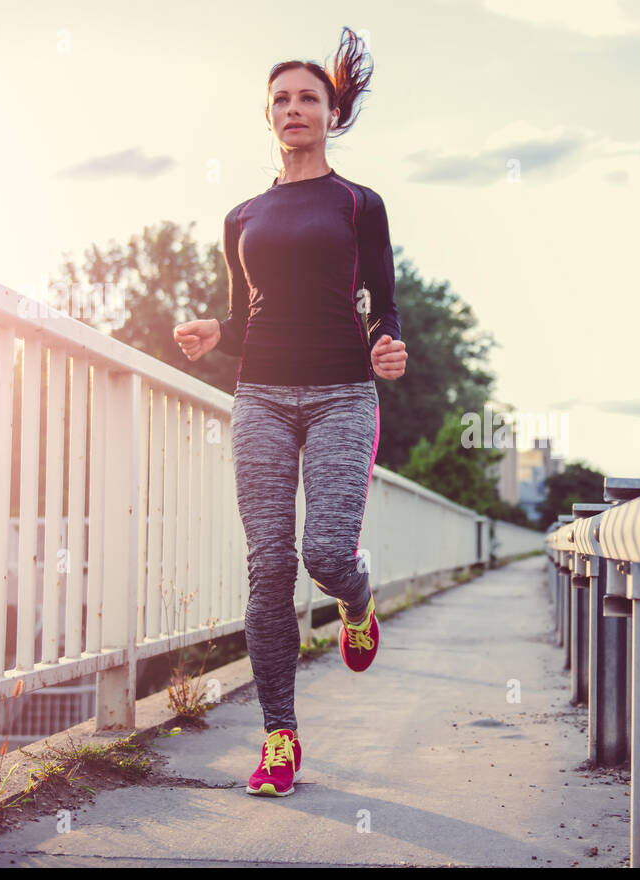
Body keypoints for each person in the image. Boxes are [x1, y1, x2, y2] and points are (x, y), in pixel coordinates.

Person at [173, 28, 407, 797]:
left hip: (343, 392)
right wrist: (217, 331)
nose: (294, 108)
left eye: (309, 97)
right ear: (266, 116)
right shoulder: (242, 216)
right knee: (268, 564)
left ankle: (358, 596)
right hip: (262, 396)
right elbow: (246, 315)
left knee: (325, 554)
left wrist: (388, 346)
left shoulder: (358, 203)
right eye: (281, 99)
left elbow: (382, 302)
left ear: (331, 112)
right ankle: (280, 737)